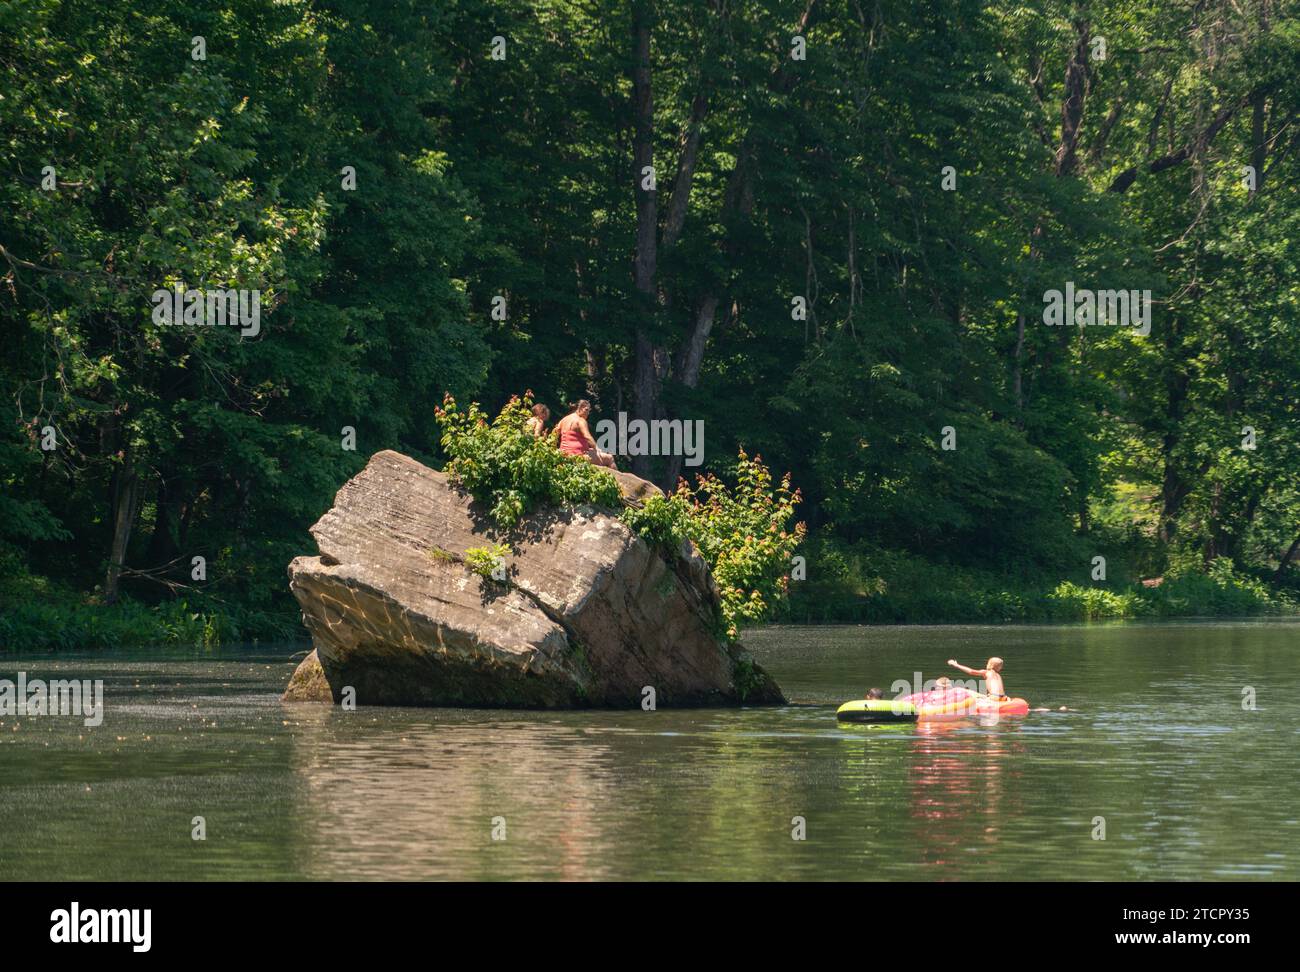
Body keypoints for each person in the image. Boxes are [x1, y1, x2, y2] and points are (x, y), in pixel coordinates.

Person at [554, 400, 617, 469]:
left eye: (589, 411)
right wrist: (597, 448)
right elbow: (587, 437)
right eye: (586, 410)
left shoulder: (564, 419)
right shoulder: (580, 420)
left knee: (592, 451)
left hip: (564, 454)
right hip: (578, 456)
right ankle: (617, 478)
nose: (588, 413)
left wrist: (556, 449)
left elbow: (555, 434)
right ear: (580, 408)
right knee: (609, 458)